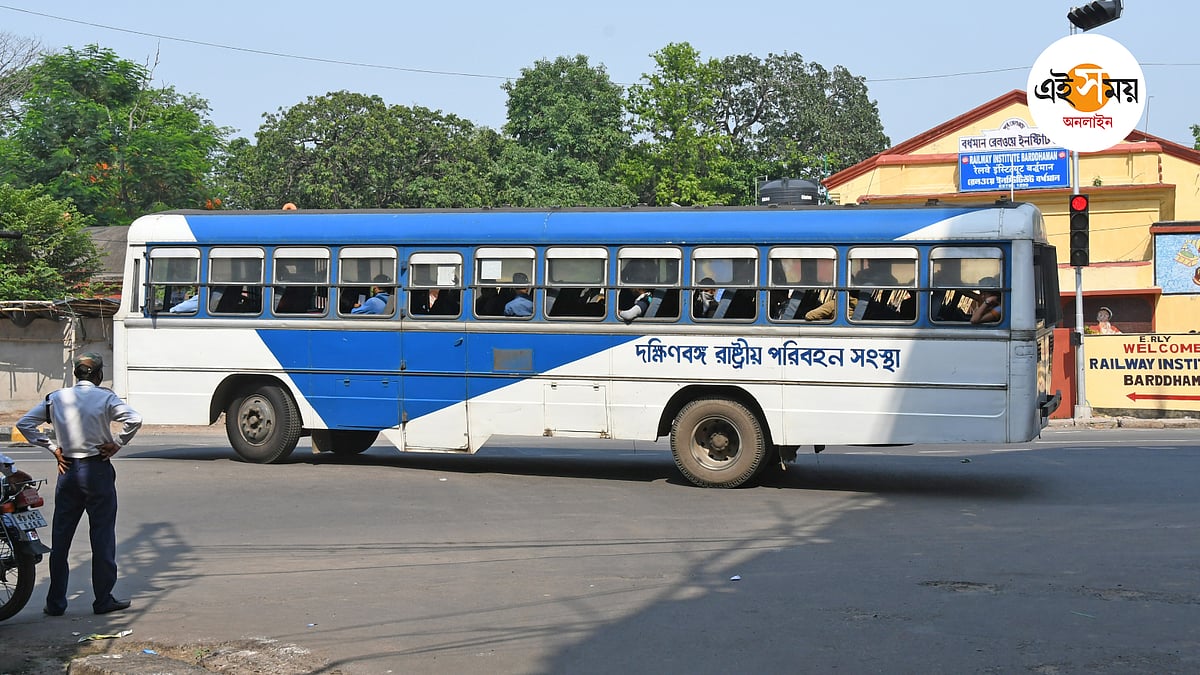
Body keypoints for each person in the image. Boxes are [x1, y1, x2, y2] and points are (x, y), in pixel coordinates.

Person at [16, 353, 142, 616]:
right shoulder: (106, 397)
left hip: (69, 470)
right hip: (97, 470)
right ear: (97, 375)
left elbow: (24, 424)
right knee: (103, 536)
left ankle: (56, 602)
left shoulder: (56, 398)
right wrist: (118, 442)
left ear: (76, 375)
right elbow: (134, 419)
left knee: (61, 540)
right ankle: (103, 599)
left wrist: (53, 448)